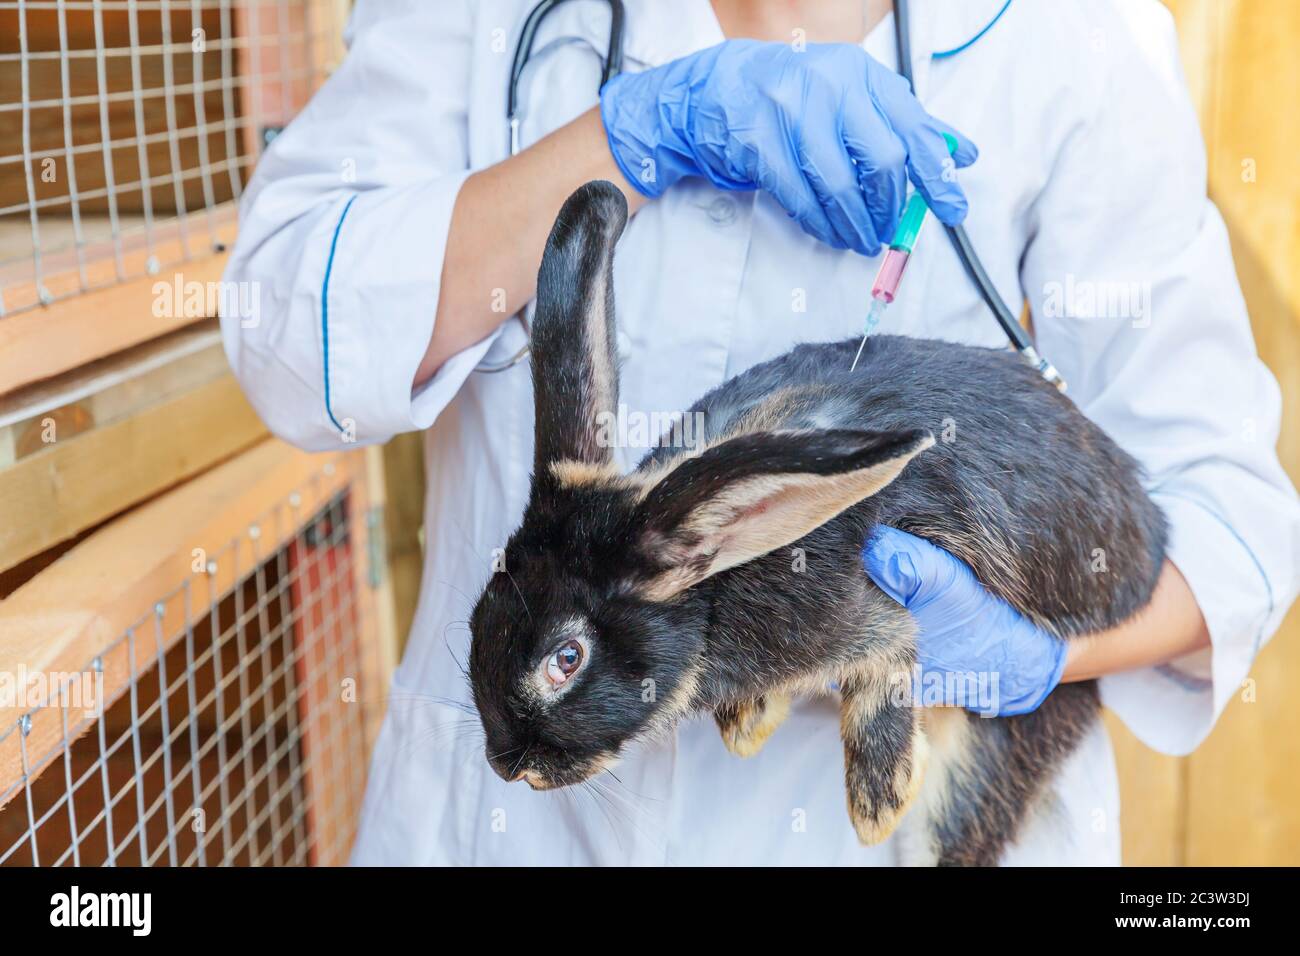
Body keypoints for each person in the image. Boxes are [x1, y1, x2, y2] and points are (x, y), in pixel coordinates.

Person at [220, 0, 1299, 865]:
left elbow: (1231, 513)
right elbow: (285, 330)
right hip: (504, 828)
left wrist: (1024, 654)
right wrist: (629, 137)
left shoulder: (1073, 41)